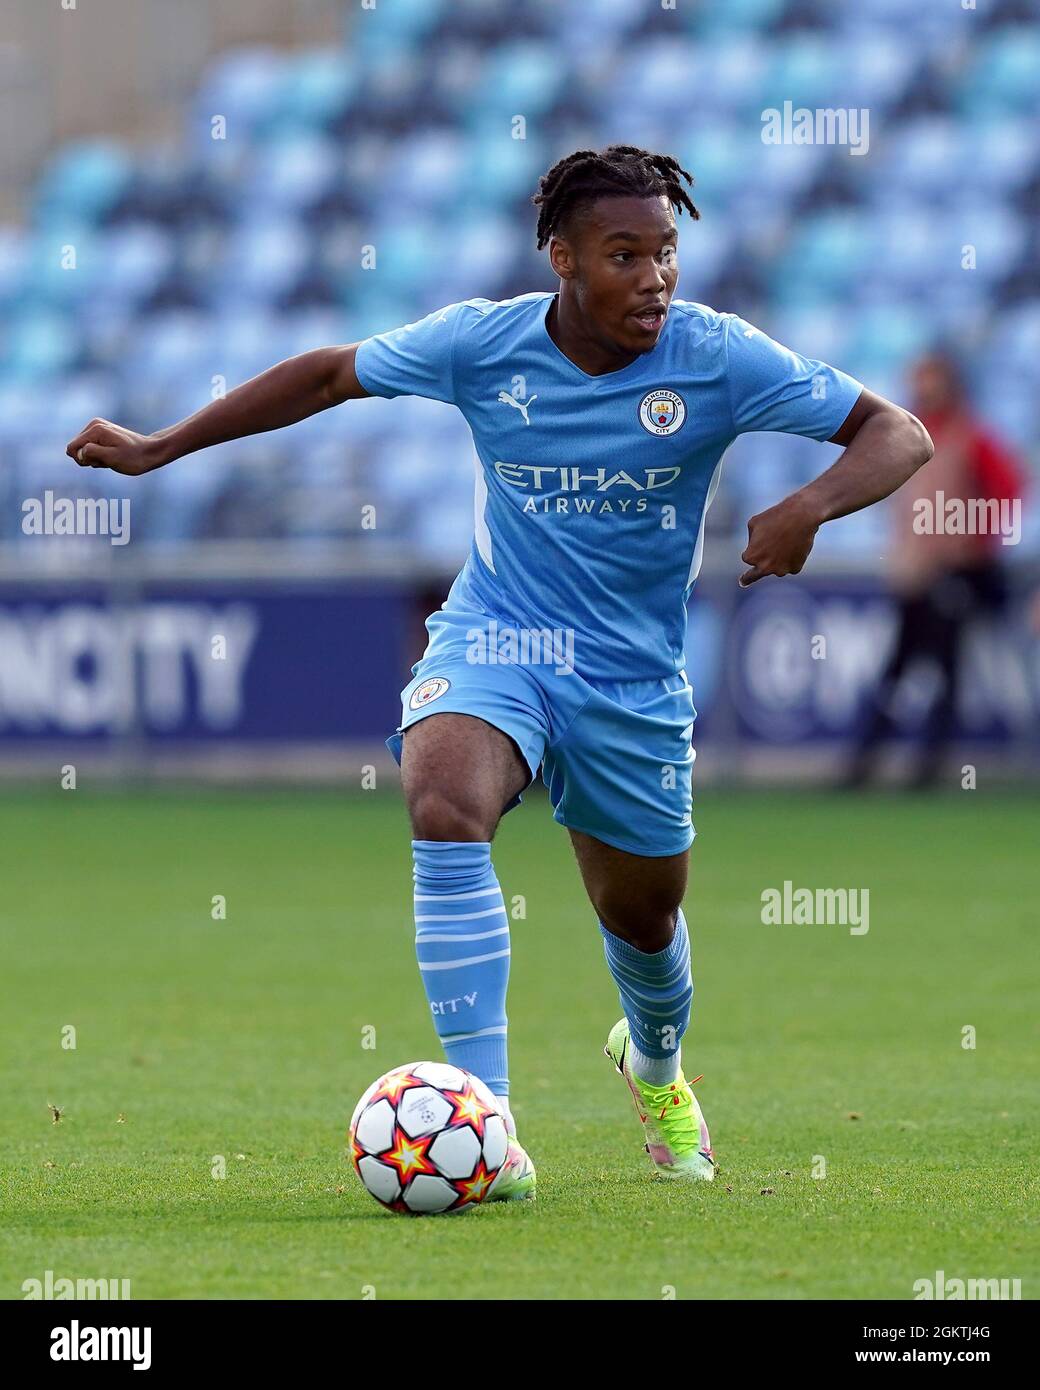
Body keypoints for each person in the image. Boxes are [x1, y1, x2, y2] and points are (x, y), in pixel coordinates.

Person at [66, 145, 933, 1198]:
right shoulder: (484, 343)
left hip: (629, 678)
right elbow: (332, 372)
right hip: (498, 637)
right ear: (561, 258)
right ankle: (491, 1126)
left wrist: (810, 505)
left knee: (645, 921)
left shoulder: (715, 355)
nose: (655, 276)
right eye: (625, 254)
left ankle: (652, 1065)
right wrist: (162, 447)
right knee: (442, 800)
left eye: (665, 252)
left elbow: (898, 433)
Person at [846, 352, 1025, 788]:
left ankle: (917, 766)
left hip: (950, 575)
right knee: (906, 668)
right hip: (917, 577)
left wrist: (975, 540)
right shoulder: (917, 432)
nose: (924, 388)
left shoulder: (966, 438)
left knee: (936, 669)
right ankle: (880, 764)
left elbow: (1010, 488)